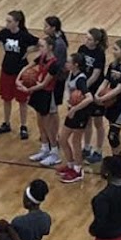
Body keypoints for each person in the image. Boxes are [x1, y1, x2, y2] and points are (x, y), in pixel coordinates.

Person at [0, 10, 39, 139]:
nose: (6, 23)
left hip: (20, 72)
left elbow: (40, 43)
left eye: (9, 21)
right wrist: (3, 48)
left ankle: (23, 126)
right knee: (6, 98)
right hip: (6, 69)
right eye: (6, 21)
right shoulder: (4, 33)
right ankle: (6, 123)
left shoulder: (24, 36)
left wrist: (29, 51)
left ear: (17, 22)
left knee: (22, 100)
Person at [22, 38, 62, 168]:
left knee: (48, 125)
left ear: (50, 47)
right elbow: (28, 66)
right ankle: (45, 148)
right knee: (40, 121)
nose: (40, 48)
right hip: (38, 92)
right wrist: (19, 78)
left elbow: (44, 84)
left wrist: (27, 89)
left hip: (47, 94)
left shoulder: (54, 64)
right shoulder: (42, 57)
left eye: (42, 46)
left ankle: (55, 153)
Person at [57, 53, 94, 184]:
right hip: (73, 111)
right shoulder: (71, 74)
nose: (66, 63)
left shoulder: (80, 79)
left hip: (81, 113)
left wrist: (74, 109)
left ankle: (78, 170)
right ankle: (71, 164)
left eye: (68, 62)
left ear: (76, 65)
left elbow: (90, 98)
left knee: (76, 141)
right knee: (62, 139)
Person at [97, 38, 121, 160]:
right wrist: (97, 94)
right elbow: (106, 81)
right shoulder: (113, 65)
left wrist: (102, 98)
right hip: (111, 104)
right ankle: (117, 157)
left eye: (115, 49)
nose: (112, 51)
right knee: (114, 135)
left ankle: (118, 160)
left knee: (112, 135)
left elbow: (119, 89)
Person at [40, 16, 69, 163]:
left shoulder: (59, 44)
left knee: (52, 112)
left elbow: (55, 66)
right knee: (46, 113)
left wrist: (41, 82)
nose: (43, 28)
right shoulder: (53, 40)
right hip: (50, 81)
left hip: (55, 82)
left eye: (46, 26)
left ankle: (54, 145)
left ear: (53, 28)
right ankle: (47, 145)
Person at [77, 28, 108, 164]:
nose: (86, 41)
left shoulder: (99, 53)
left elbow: (96, 75)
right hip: (85, 90)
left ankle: (99, 150)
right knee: (87, 120)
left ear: (96, 42)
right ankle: (87, 147)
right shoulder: (82, 48)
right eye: (86, 38)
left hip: (95, 91)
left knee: (98, 122)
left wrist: (85, 87)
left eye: (89, 39)